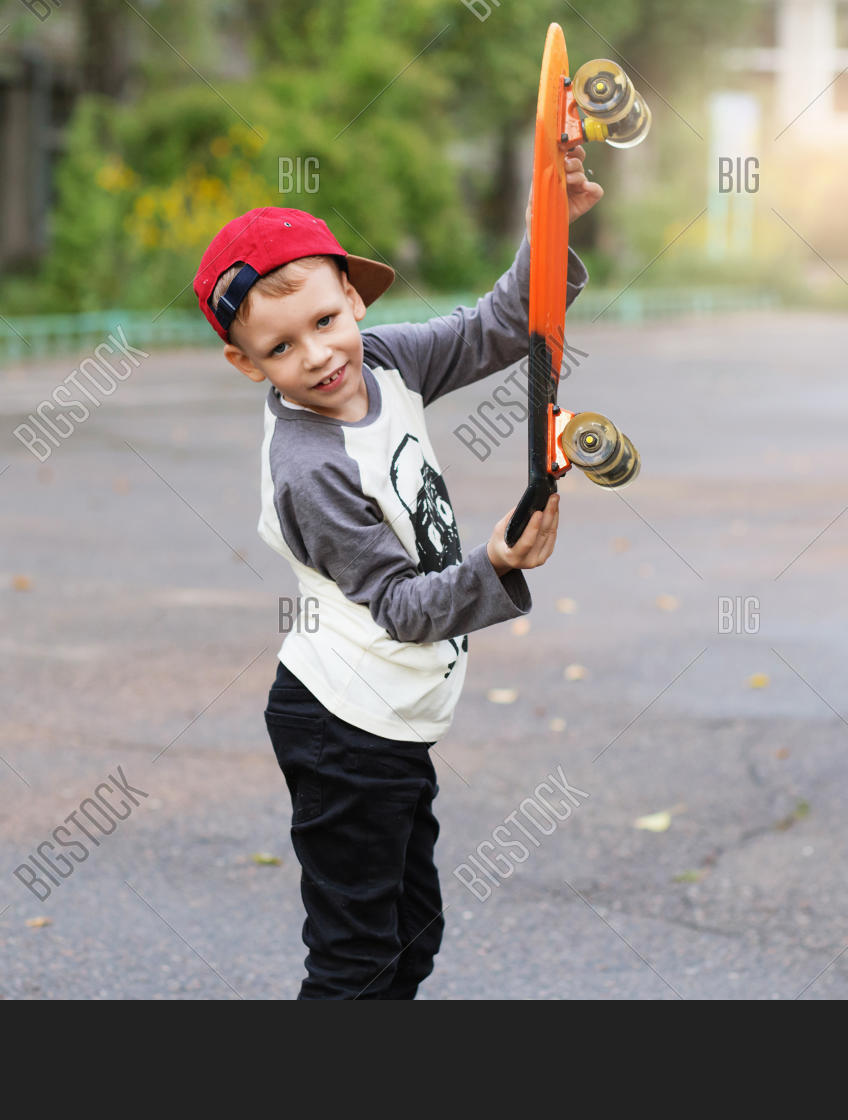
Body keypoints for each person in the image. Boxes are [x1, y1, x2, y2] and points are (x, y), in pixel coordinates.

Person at [191, 154, 600, 998]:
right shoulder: (311, 468)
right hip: (344, 729)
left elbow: (498, 324)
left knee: (410, 939)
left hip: (393, 719)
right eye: (278, 347)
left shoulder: (382, 361)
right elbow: (402, 608)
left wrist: (548, 227)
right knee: (356, 962)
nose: (316, 355)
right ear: (246, 364)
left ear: (356, 296)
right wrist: (493, 564)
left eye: (326, 320)